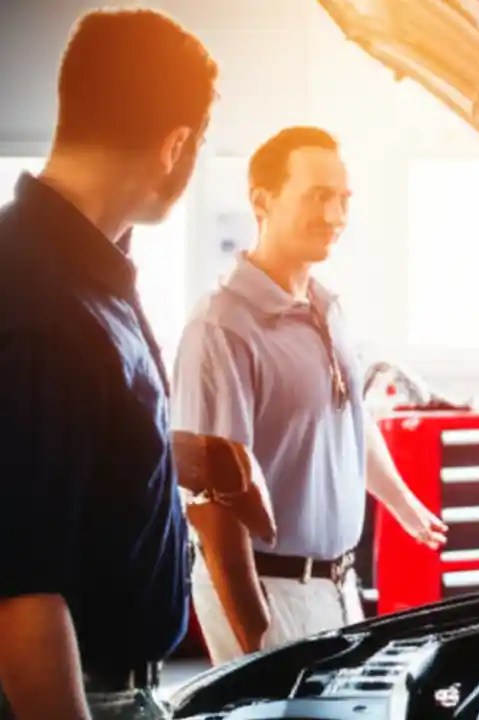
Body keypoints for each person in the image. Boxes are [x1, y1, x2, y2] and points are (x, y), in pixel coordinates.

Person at [0, 9, 217, 719]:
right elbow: (20, 585)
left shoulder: (82, 270)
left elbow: (65, 456)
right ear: (174, 143)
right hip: (80, 692)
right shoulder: (34, 297)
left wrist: (176, 457)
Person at [172, 126, 449, 665]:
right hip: (269, 590)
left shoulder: (327, 307)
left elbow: (349, 416)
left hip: (337, 586)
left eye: (343, 199)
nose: (336, 216)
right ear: (262, 199)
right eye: (317, 196)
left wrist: (404, 505)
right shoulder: (221, 327)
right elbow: (214, 504)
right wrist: (256, 639)